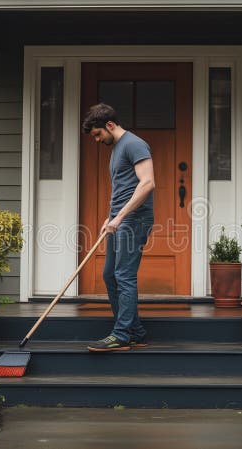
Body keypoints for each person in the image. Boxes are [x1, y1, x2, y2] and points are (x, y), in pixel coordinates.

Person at [82, 103, 155, 352]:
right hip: (120, 219)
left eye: (98, 134)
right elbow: (123, 188)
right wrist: (109, 216)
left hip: (133, 220)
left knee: (123, 275)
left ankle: (121, 334)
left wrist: (120, 216)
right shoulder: (116, 148)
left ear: (110, 125)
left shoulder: (134, 144)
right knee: (109, 274)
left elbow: (147, 183)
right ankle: (136, 331)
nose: (96, 140)